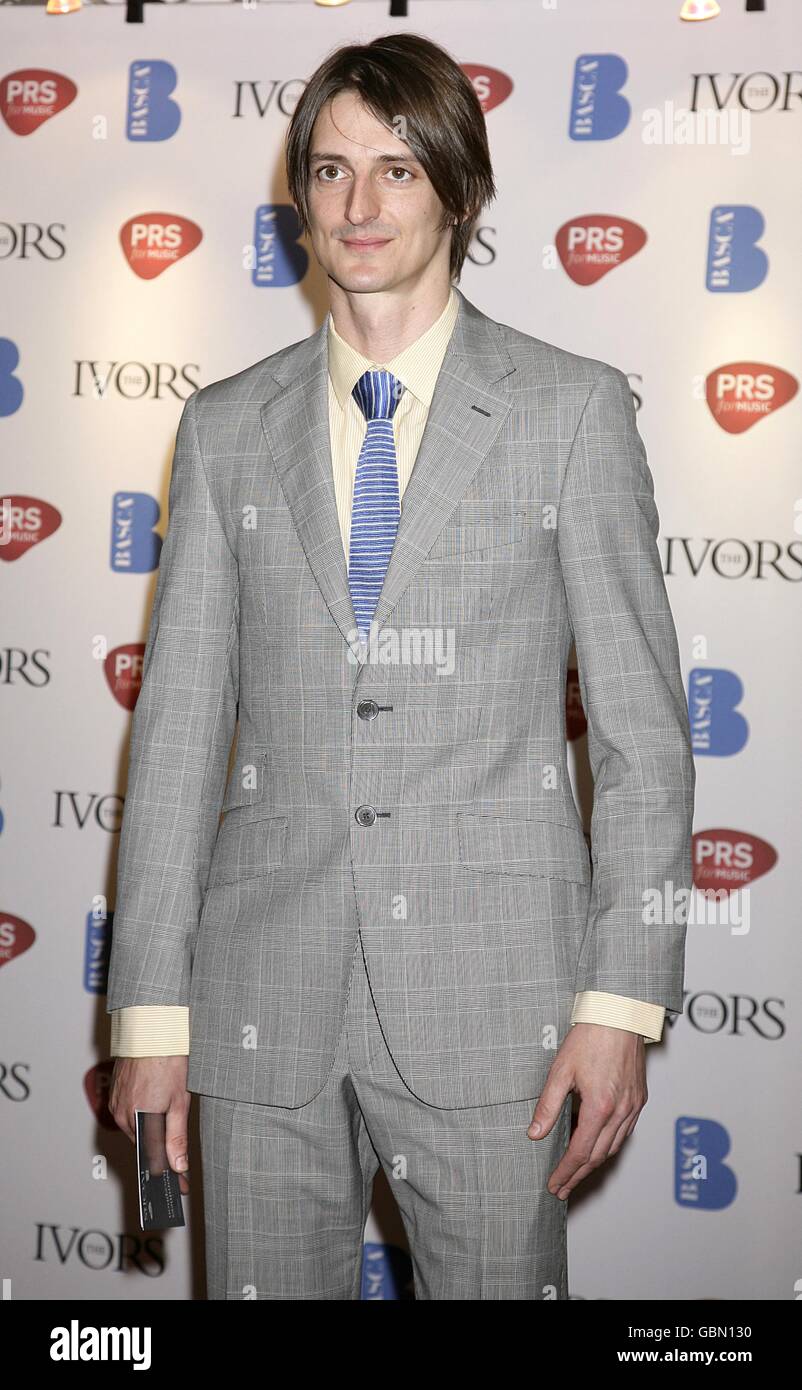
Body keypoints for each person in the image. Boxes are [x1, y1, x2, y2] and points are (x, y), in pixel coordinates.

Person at [107, 32, 696, 1301]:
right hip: (261, 1009)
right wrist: (151, 1020)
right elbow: (174, 738)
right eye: (327, 171)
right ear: (299, 197)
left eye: (395, 170)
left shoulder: (571, 411)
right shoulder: (222, 430)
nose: (358, 206)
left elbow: (647, 742)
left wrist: (621, 1005)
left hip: (502, 1010)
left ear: (458, 191)